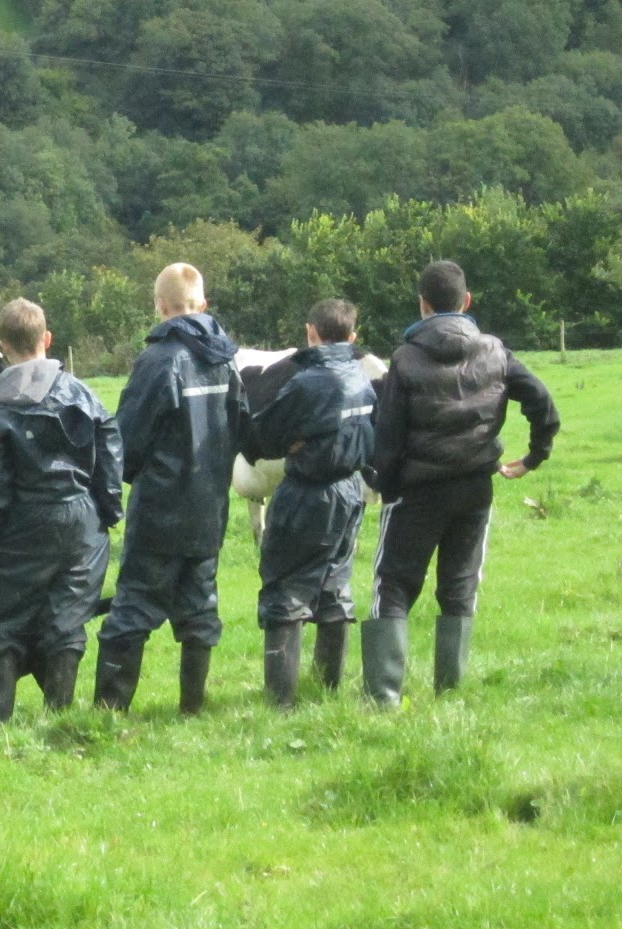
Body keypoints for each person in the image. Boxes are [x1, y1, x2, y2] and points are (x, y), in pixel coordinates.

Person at [364, 260, 559, 706]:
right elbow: (544, 404)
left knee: (393, 584)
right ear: (467, 302)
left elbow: (388, 436)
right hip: (475, 488)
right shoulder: (495, 350)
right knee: (459, 586)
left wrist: (385, 487)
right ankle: (449, 693)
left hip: (417, 491)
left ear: (423, 305)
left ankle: (383, 698)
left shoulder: (405, 358)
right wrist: (534, 456)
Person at [94, 263, 247, 715]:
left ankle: (108, 713)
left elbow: (127, 439)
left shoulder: (158, 360)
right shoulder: (226, 359)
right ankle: (192, 710)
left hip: (161, 509)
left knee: (132, 612)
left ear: (160, 307)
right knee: (199, 610)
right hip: (209, 510)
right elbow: (241, 427)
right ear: (203, 304)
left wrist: (123, 478)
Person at [0, 299, 123, 731]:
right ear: (47, 339)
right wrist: (107, 511)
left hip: (20, 520)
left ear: (2, 346)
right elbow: (110, 449)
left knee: (2, 620)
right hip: (80, 518)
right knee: (69, 617)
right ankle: (59, 720)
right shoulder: (83, 393)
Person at [242, 299, 376, 707]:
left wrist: (293, 441)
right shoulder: (362, 378)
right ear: (353, 337)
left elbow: (257, 438)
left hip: (307, 492)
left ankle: (280, 702)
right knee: (334, 588)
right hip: (351, 491)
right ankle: (326, 690)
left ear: (310, 333)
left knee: (284, 591)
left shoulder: (305, 383)